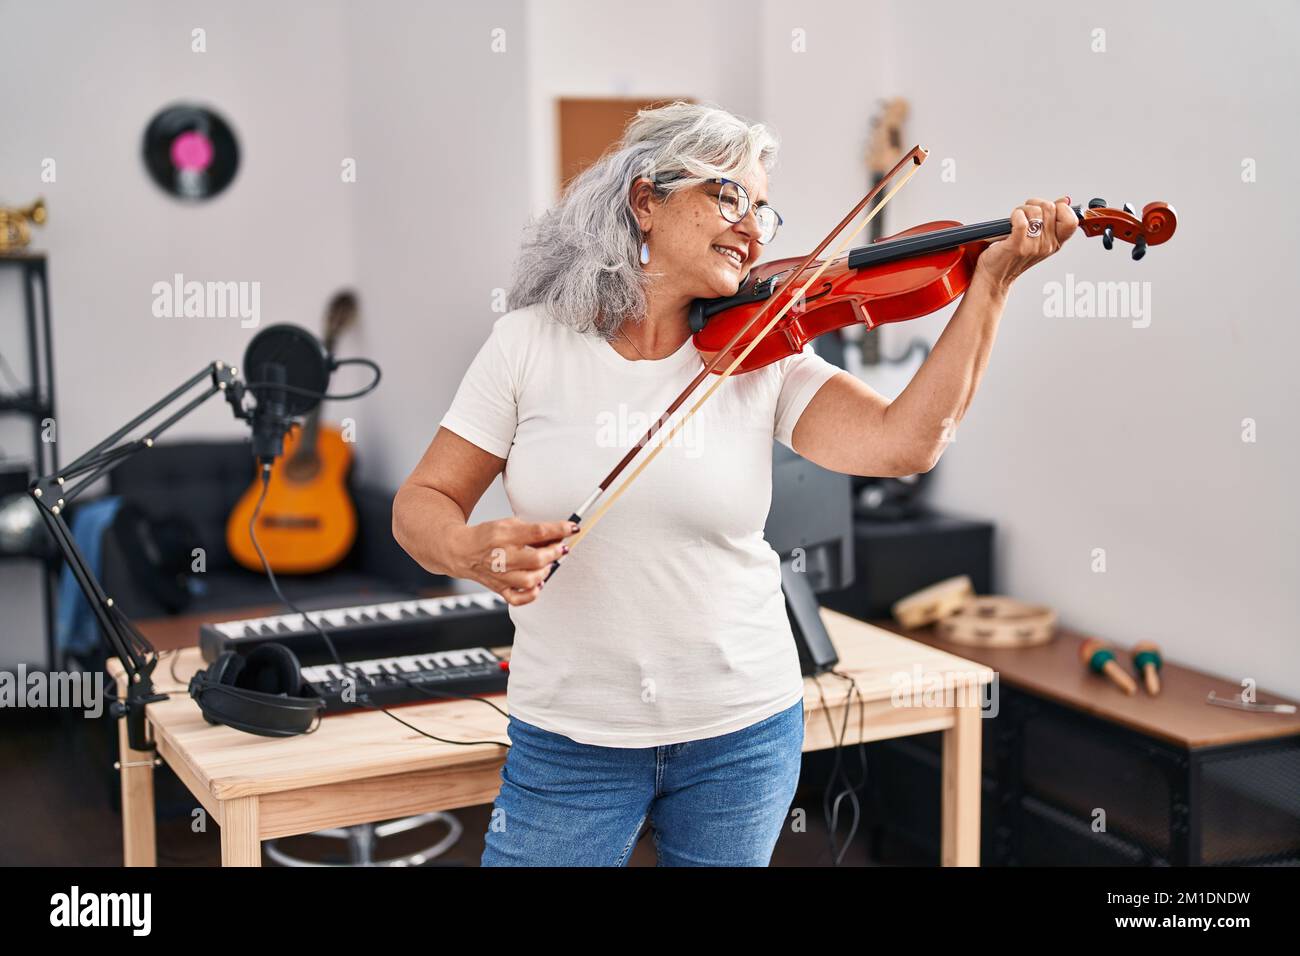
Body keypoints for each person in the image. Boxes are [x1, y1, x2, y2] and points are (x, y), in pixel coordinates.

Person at [392, 101, 1076, 866]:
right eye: (728, 196)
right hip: (571, 738)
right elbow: (424, 504)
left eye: (764, 209)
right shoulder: (528, 344)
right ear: (645, 200)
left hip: (740, 733)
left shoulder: (763, 346)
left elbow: (904, 444)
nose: (753, 227)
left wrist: (989, 288)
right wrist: (467, 550)